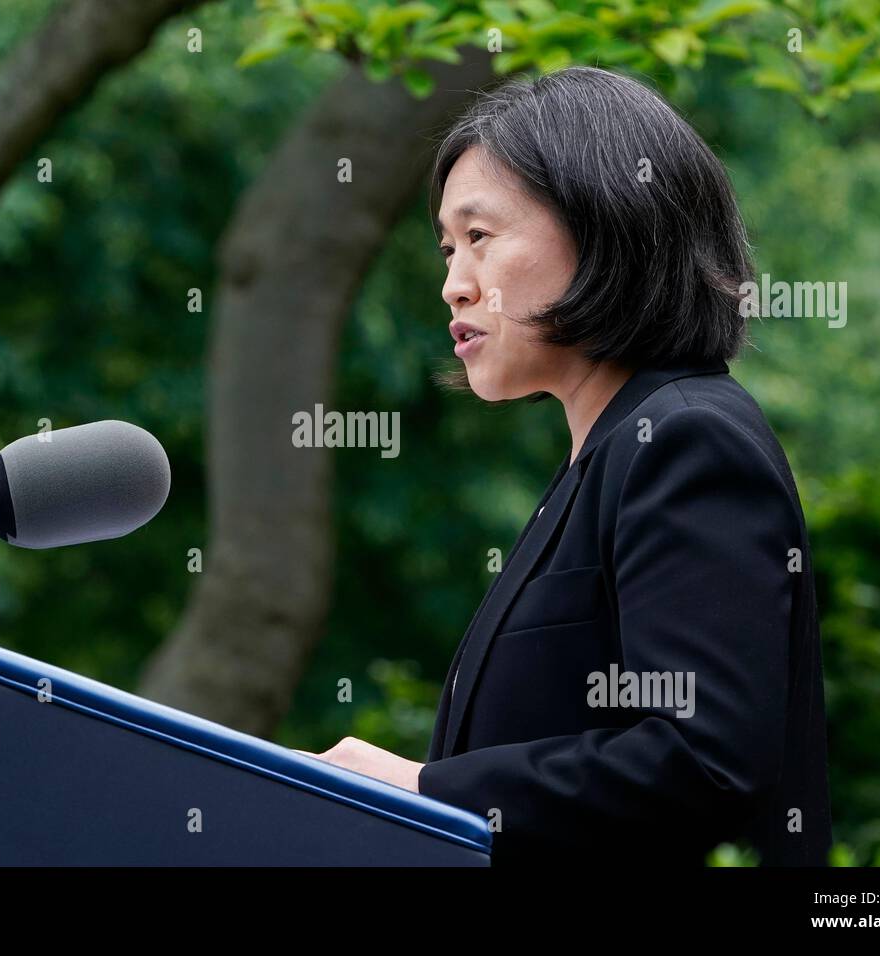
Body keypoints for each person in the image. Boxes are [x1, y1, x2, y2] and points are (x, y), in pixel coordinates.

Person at [309, 66, 832, 866]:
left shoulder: (690, 441)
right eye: (447, 248)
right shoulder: (607, 455)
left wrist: (422, 787)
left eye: (480, 237)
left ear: (604, 222)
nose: (453, 285)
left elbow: (704, 759)